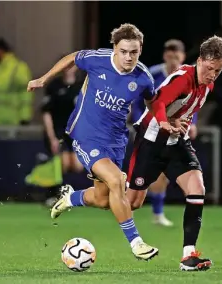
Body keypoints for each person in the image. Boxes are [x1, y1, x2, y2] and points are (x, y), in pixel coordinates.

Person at [53, 35, 222, 271]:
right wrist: (164, 122)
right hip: (151, 141)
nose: (213, 75)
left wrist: (181, 125)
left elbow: (185, 109)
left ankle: (188, 256)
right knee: (122, 202)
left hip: (177, 142)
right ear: (199, 60)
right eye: (210, 69)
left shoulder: (207, 83)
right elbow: (158, 102)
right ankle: (73, 198)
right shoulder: (182, 79)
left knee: (197, 187)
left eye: (218, 71)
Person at [27, 23, 162, 261]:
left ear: (140, 50)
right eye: (123, 51)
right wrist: (44, 79)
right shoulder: (97, 59)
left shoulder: (143, 78)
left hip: (116, 140)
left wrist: (163, 122)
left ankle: (70, 198)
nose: (128, 57)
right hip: (85, 134)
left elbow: (153, 104)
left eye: (134, 52)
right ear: (115, 49)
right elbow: (71, 58)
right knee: (116, 180)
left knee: (102, 199)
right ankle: (136, 243)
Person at [129, 39, 197, 227]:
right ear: (164, 56)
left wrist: (192, 123)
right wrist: (140, 122)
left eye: (176, 55)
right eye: (169, 55)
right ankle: (127, 208)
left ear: (183, 56)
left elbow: (193, 103)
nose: (173, 59)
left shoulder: (189, 76)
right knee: (143, 173)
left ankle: (157, 214)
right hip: (150, 128)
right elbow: (138, 102)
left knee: (162, 175)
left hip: (173, 130)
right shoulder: (153, 74)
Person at [25, 65, 84, 206]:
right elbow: (46, 112)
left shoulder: (81, 86)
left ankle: (43, 168)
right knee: (60, 163)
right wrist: (52, 137)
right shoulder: (54, 86)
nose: (68, 69)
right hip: (58, 130)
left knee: (77, 165)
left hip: (75, 131)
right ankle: (55, 194)